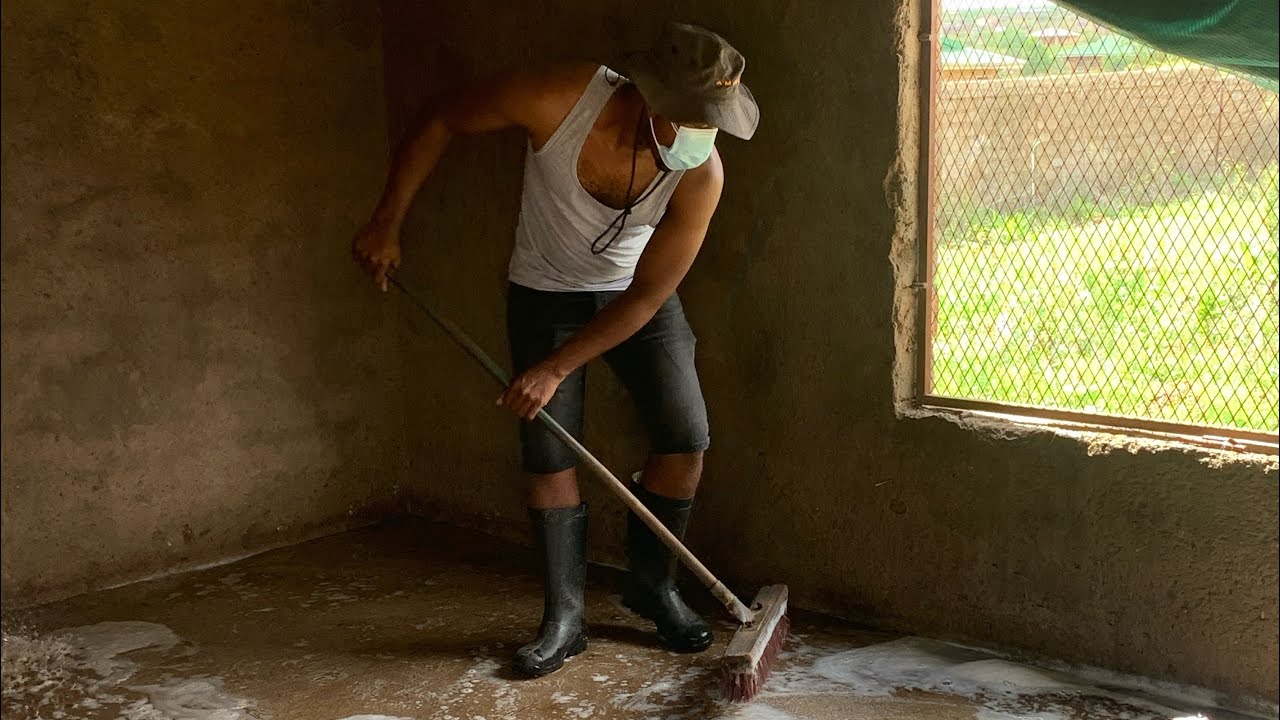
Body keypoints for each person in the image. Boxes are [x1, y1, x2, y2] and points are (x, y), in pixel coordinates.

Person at [352, 22, 758, 678]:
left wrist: (557, 366)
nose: (707, 135)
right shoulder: (559, 99)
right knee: (548, 452)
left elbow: (649, 298)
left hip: (634, 300)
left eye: (716, 121)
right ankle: (564, 618)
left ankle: (652, 586)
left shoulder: (701, 173)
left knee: (686, 437)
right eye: (696, 117)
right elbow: (441, 119)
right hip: (544, 293)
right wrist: (386, 223)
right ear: (653, 98)